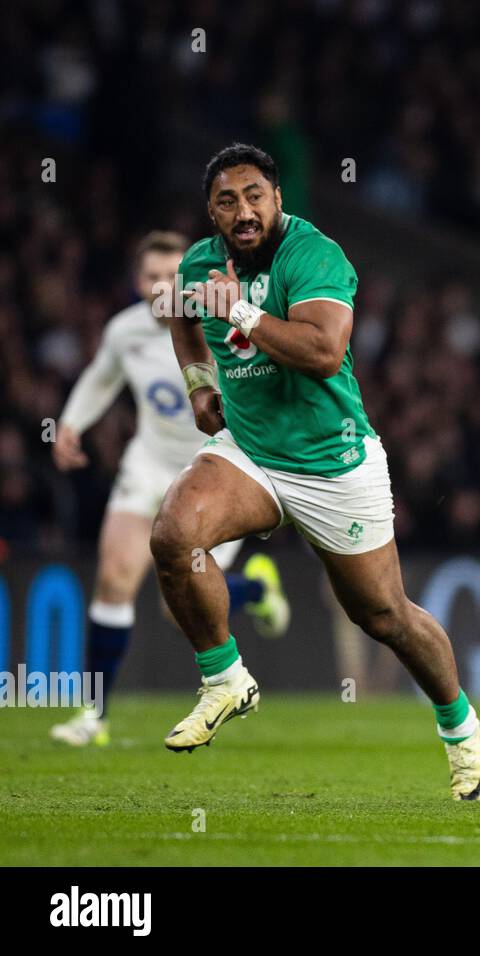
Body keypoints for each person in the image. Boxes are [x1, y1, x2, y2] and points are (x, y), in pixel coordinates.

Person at [153, 143, 480, 800]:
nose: (243, 210)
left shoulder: (314, 256)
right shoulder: (198, 264)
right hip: (248, 453)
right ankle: (225, 680)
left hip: (332, 462)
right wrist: (199, 387)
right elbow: (179, 316)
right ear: (212, 213)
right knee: (173, 534)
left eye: (254, 195)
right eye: (227, 201)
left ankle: (459, 725)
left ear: (278, 199)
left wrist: (242, 313)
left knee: (385, 616)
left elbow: (324, 352)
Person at [49, 231, 287, 748]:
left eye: (171, 276)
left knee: (174, 610)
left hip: (215, 472)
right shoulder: (125, 332)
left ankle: (257, 591)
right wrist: (70, 425)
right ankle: (94, 716)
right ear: (138, 283)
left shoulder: (226, 324)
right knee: (114, 576)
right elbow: (99, 378)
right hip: (150, 465)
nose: (162, 285)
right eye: (152, 276)